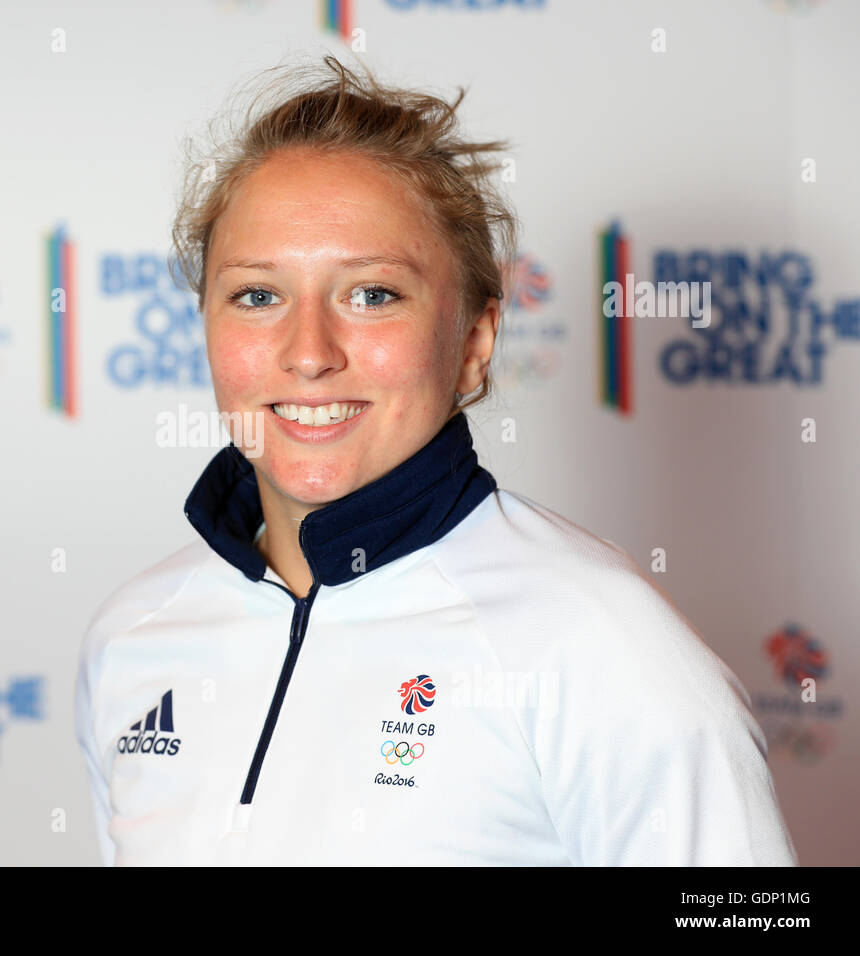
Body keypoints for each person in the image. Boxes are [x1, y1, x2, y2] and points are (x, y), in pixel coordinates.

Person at [73, 54, 798, 866]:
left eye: (372, 294)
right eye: (258, 295)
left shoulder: (603, 647)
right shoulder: (132, 637)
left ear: (474, 345)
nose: (309, 354)